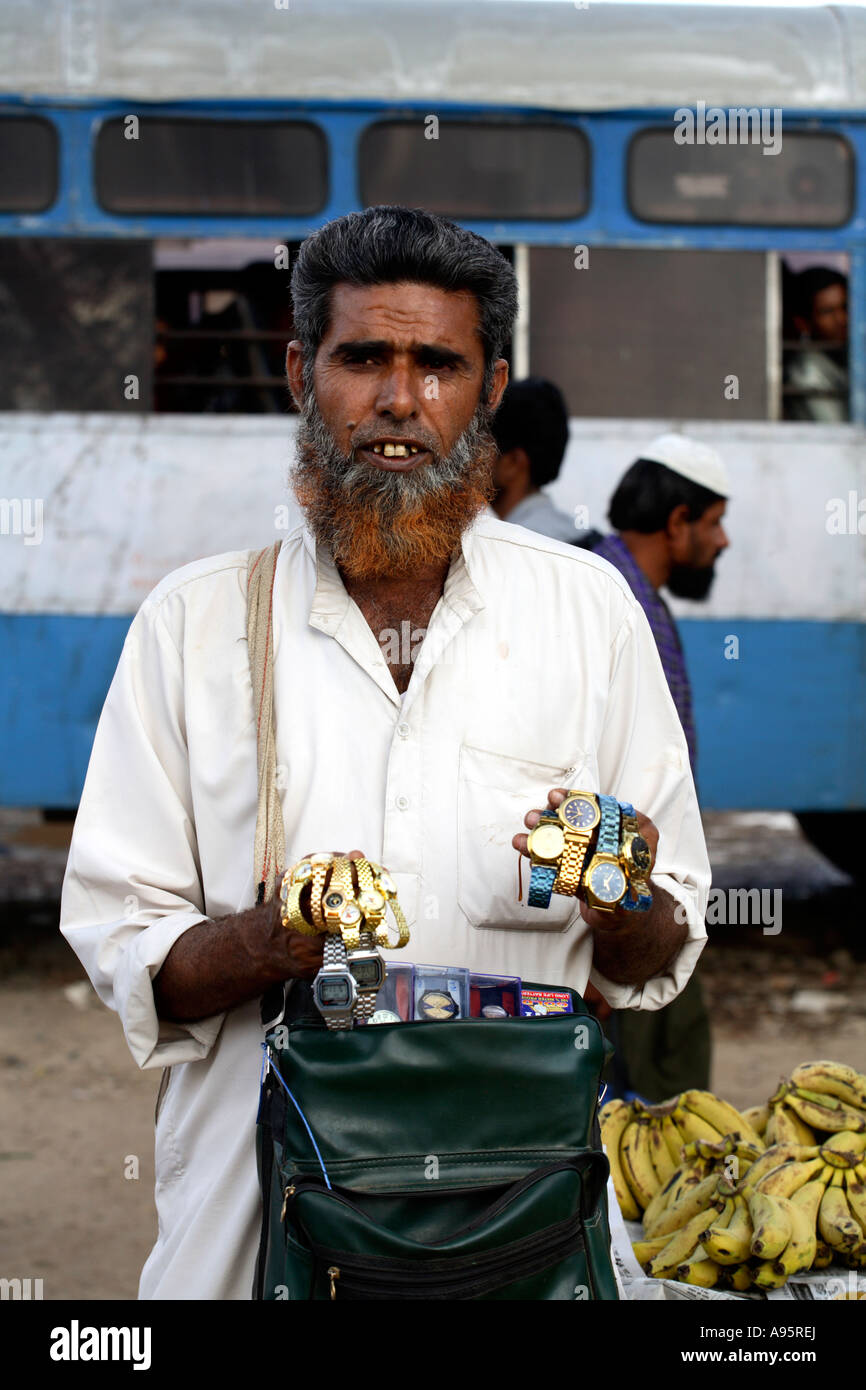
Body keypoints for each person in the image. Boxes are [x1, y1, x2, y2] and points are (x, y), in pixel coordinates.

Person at [60, 207, 710, 1299]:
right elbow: (128, 956)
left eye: (437, 365)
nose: (399, 401)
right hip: (251, 1238)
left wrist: (616, 889)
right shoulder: (193, 625)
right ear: (299, 374)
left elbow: (655, 952)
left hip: (523, 1239)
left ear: (489, 388)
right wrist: (276, 938)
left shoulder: (588, 614)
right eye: (363, 357)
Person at [583, 434, 730, 1101]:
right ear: (678, 523)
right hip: (618, 911)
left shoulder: (625, 589)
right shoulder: (609, 598)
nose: (722, 541)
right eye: (715, 521)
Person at [489, 377, 578, 542]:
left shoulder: (514, 547)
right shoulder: (573, 533)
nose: (466, 458)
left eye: (477, 445)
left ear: (512, 463)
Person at [783, 267, 849, 423]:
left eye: (845, 307)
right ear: (803, 324)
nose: (842, 320)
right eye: (827, 312)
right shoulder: (807, 373)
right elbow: (837, 437)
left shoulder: (845, 358)